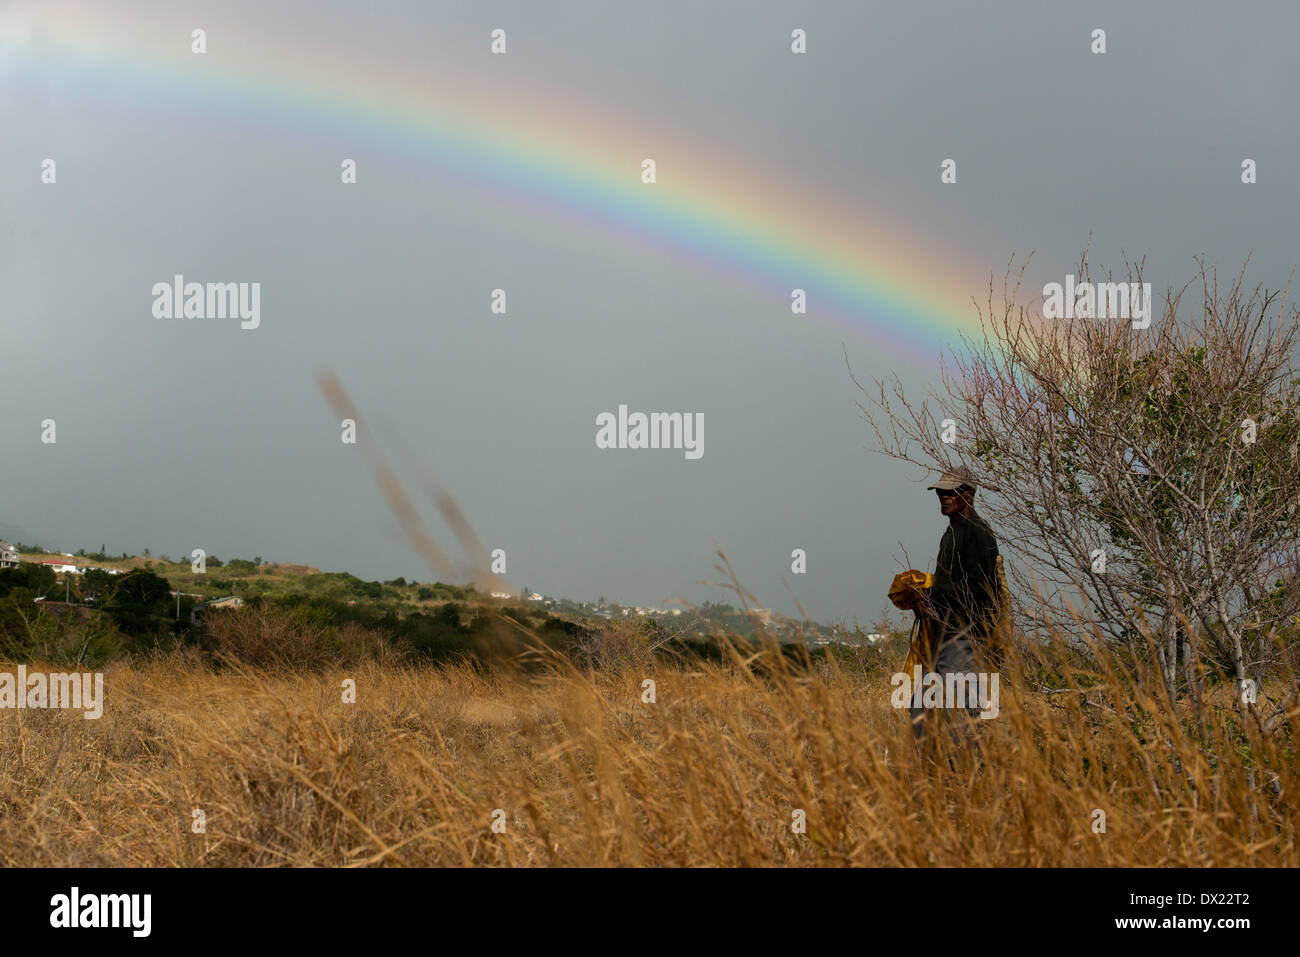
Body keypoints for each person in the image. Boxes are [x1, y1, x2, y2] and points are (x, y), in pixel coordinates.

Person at [907, 466, 1001, 755]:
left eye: (950, 492)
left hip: (967, 634)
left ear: (969, 495)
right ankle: (949, 774)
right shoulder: (954, 531)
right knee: (925, 705)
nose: (943, 497)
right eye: (940, 491)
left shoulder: (977, 532)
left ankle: (963, 776)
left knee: (952, 708)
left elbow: (981, 588)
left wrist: (931, 593)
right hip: (948, 633)